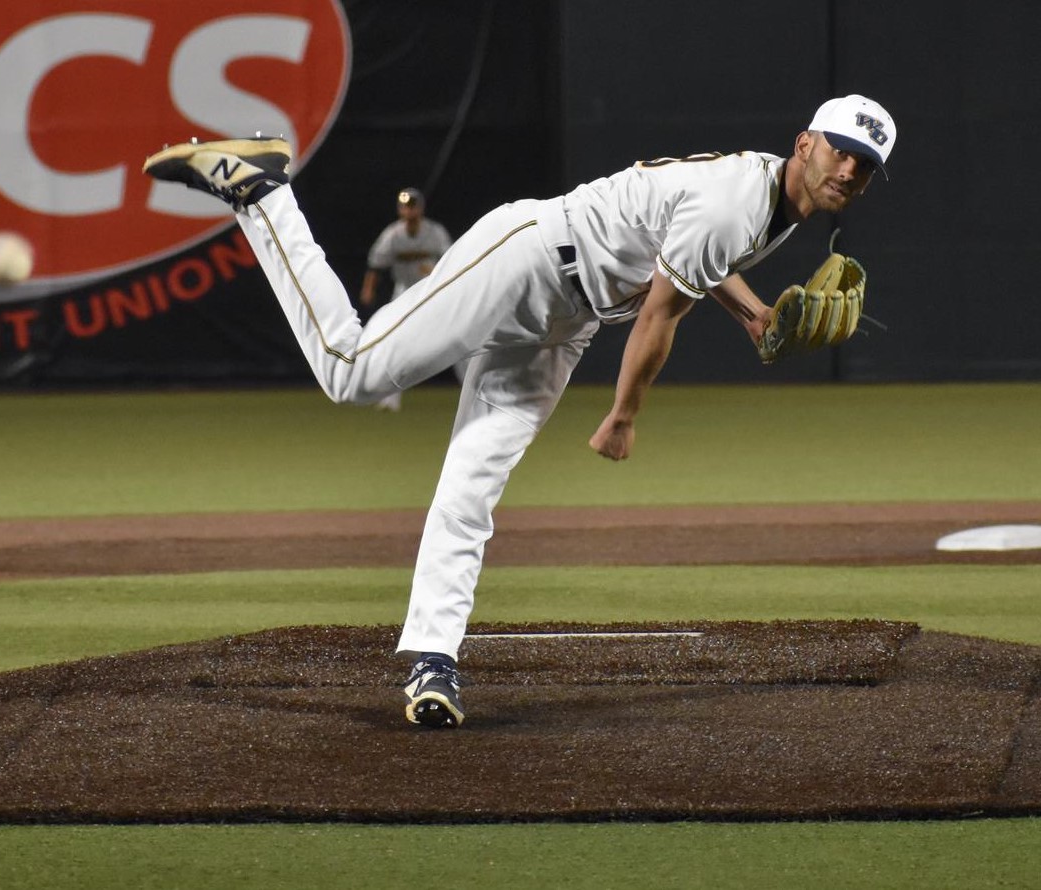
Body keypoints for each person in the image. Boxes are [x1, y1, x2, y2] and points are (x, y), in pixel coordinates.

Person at [143, 94, 897, 729]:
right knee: (352, 370)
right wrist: (623, 415)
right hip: (528, 258)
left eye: (864, 164)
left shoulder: (771, 201)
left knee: (471, 486)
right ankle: (264, 190)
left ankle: (432, 664)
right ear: (805, 144)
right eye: (838, 150)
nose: (848, 169)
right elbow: (660, 316)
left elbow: (694, 259)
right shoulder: (742, 200)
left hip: (564, 322)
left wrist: (757, 317)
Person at [358, 187, 453, 411]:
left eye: (412, 205)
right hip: (404, 293)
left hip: (432, 291)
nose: (408, 210)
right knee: (394, 343)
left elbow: (452, 259)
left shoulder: (435, 232)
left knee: (454, 335)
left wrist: (437, 272)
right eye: (404, 205)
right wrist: (368, 289)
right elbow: (375, 265)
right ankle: (390, 397)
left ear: (420, 208)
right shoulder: (393, 235)